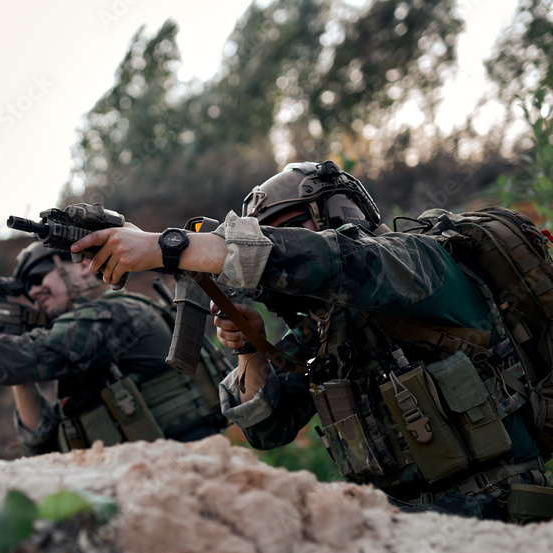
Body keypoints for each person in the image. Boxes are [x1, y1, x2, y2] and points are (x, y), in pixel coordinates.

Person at [72, 160, 553, 523]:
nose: (273, 242)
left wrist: (169, 247)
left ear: (339, 211)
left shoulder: (416, 263)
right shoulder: (327, 329)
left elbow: (335, 259)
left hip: (500, 515)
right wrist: (250, 349)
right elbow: (268, 428)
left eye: (284, 228)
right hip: (397, 527)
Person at [0, 241, 226, 455]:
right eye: (26, 287)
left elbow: (37, 355)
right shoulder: (84, 342)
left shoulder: (115, 312)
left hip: (182, 471)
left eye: (41, 276)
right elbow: (42, 442)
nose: (34, 292)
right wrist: (14, 355)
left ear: (84, 270)